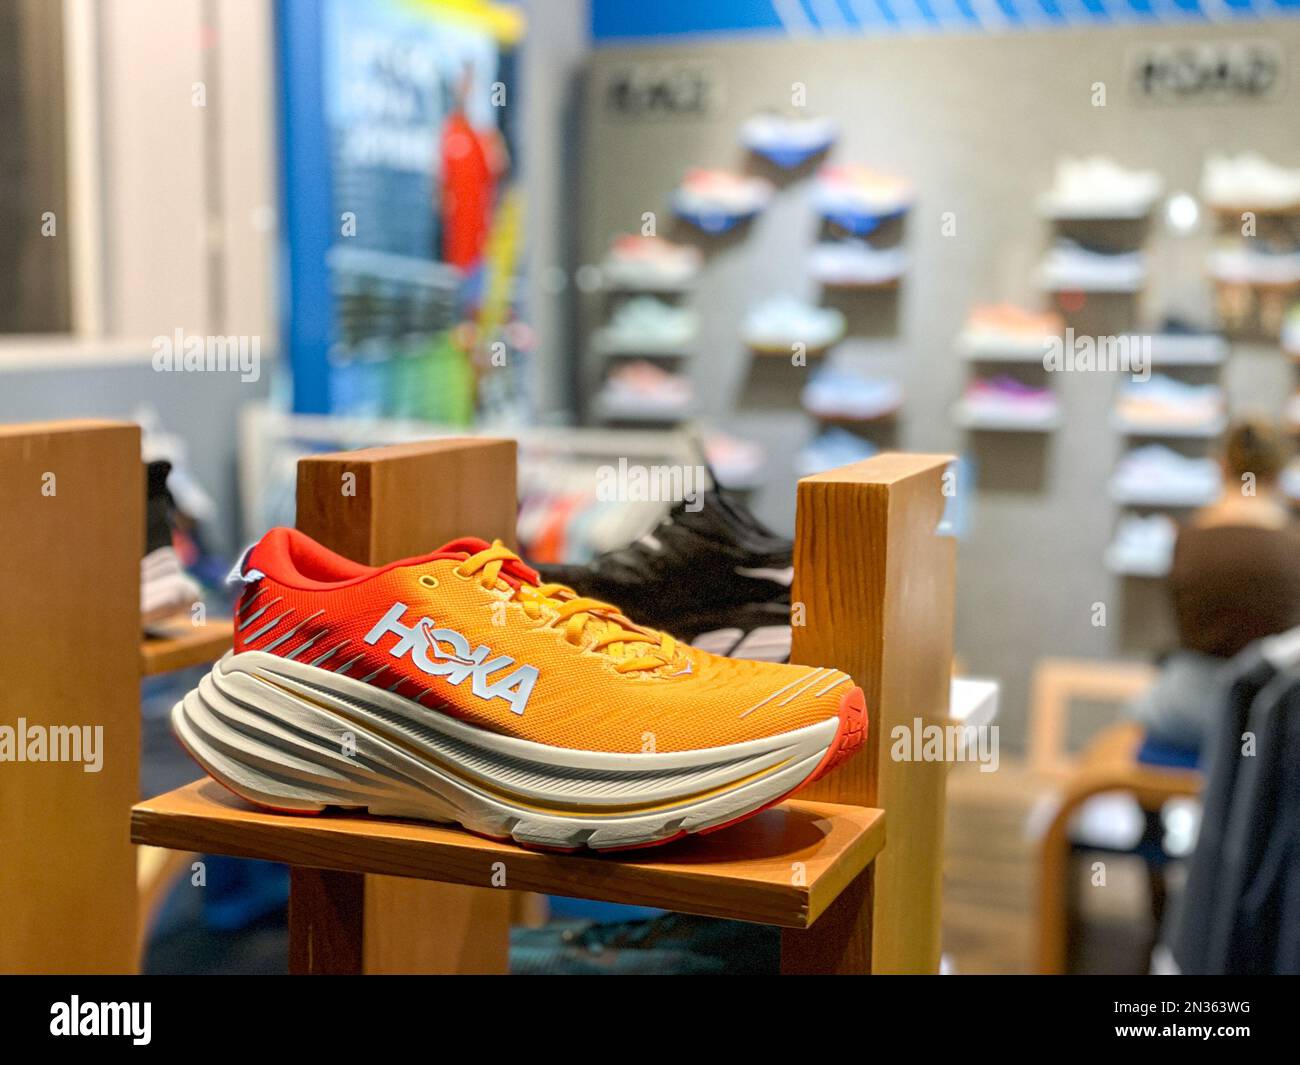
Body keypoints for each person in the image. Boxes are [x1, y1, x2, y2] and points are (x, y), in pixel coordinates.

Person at [1129, 417, 1300, 756]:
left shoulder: (1188, 539)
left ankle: (1153, 810)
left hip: (1188, 711)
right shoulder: (1292, 545)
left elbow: (1185, 631)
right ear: (1279, 475)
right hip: (1269, 715)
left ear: (1221, 467)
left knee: (1137, 712)